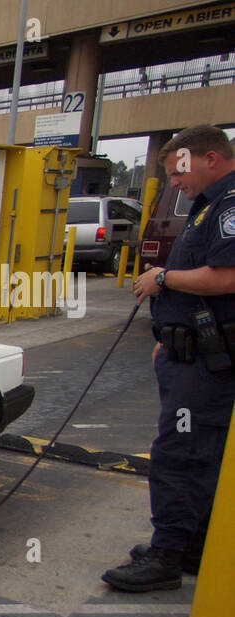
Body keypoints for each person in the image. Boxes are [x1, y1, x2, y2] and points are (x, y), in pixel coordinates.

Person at [103, 125, 235, 592]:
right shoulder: (207, 206)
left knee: (180, 456)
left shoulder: (229, 205)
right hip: (190, 353)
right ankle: (188, 546)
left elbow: (226, 278)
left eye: (178, 171)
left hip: (204, 368)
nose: (174, 183)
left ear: (211, 158)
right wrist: (170, 332)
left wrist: (163, 279)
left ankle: (166, 558)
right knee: (199, 456)